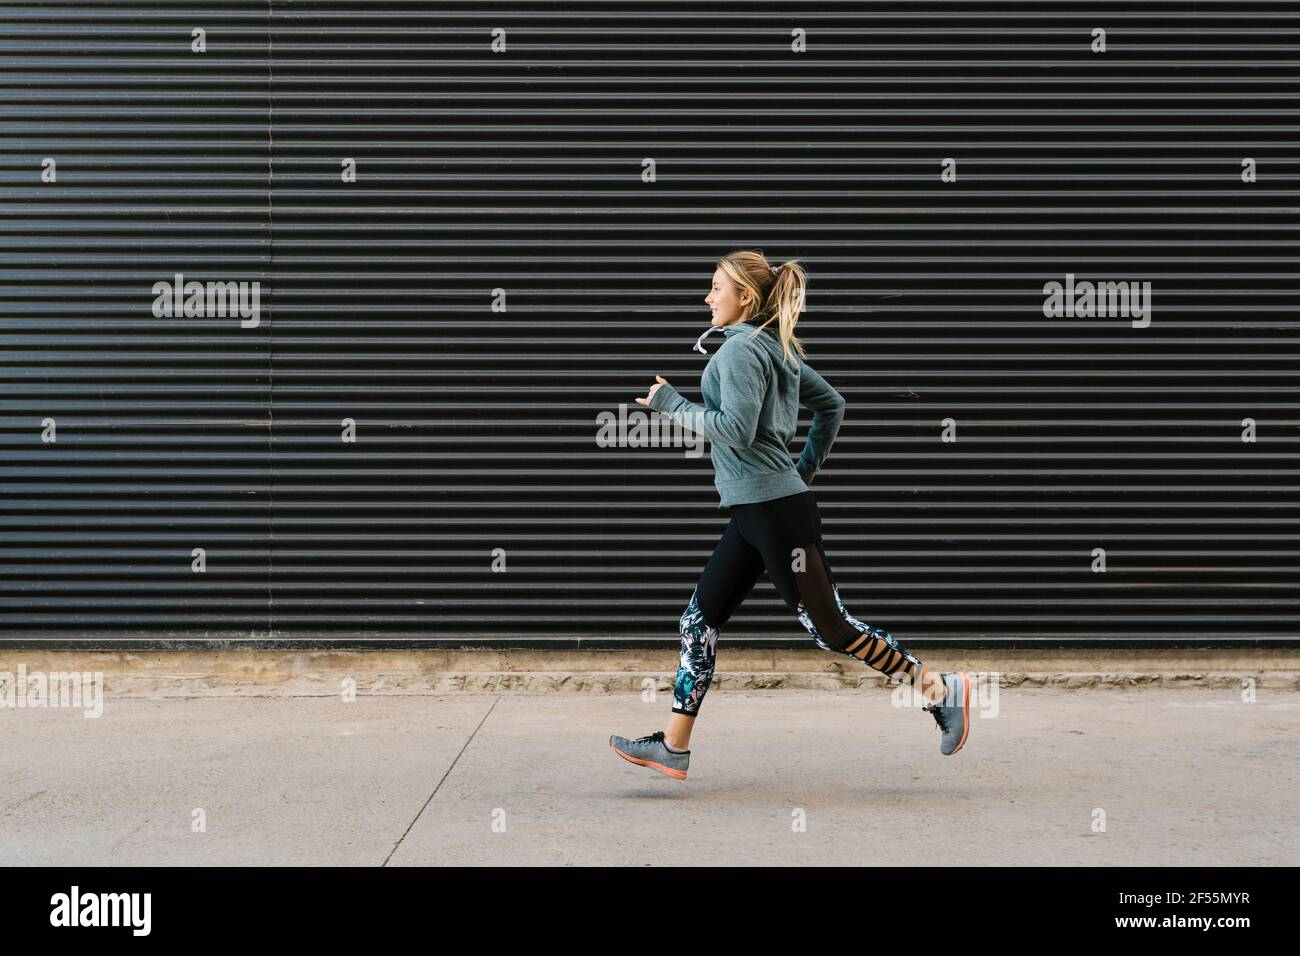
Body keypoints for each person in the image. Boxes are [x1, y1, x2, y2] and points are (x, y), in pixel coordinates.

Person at [609, 250, 972, 781]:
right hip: (759, 510)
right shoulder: (774, 348)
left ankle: (940, 690)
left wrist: (670, 405)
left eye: (716, 288)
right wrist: (801, 471)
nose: (708, 297)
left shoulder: (737, 355)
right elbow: (834, 406)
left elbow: (735, 429)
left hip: (774, 513)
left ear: (745, 298)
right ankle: (674, 745)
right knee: (698, 621)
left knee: (830, 628)